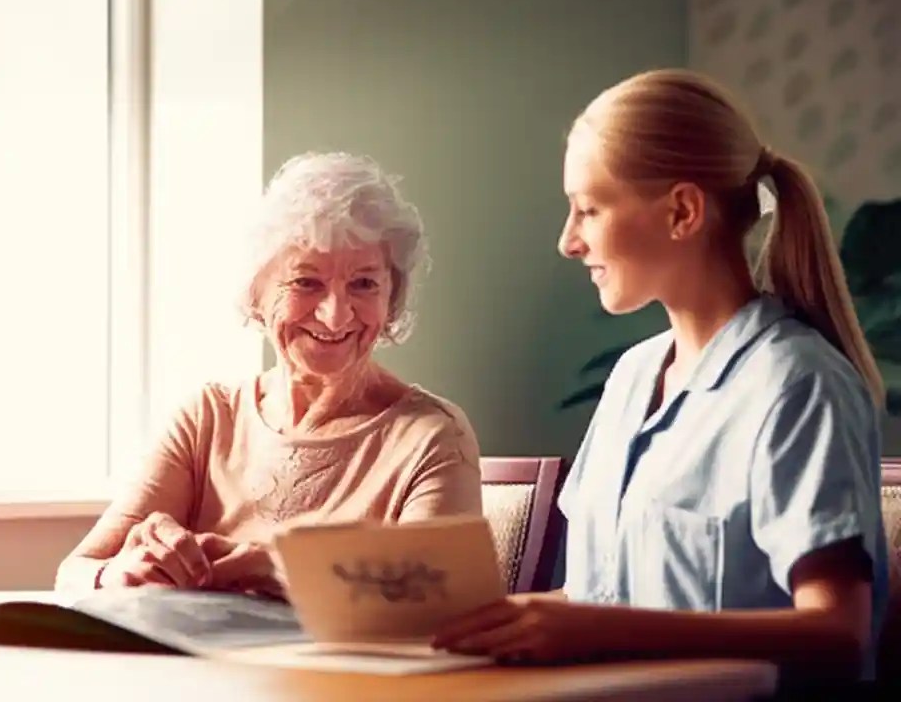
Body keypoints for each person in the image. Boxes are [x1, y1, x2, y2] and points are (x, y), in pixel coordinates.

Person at [432, 69, 888, 683]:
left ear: (682, 211)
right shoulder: (632, 377)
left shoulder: (797, 386)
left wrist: (597, 631)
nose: (568, 241)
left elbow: (838, 632)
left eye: (588, 209)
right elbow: (602, 601)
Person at [56, 151, 483, 598]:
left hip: (337, 670)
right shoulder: (206, 419)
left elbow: (438, 601)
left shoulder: (431, 437)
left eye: (363, 284)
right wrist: (120, 573)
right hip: (193, 668)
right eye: (306, 282)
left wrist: (285, 570)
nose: (336, 316)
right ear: (256, 293)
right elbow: (75, 571)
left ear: (391, 295)